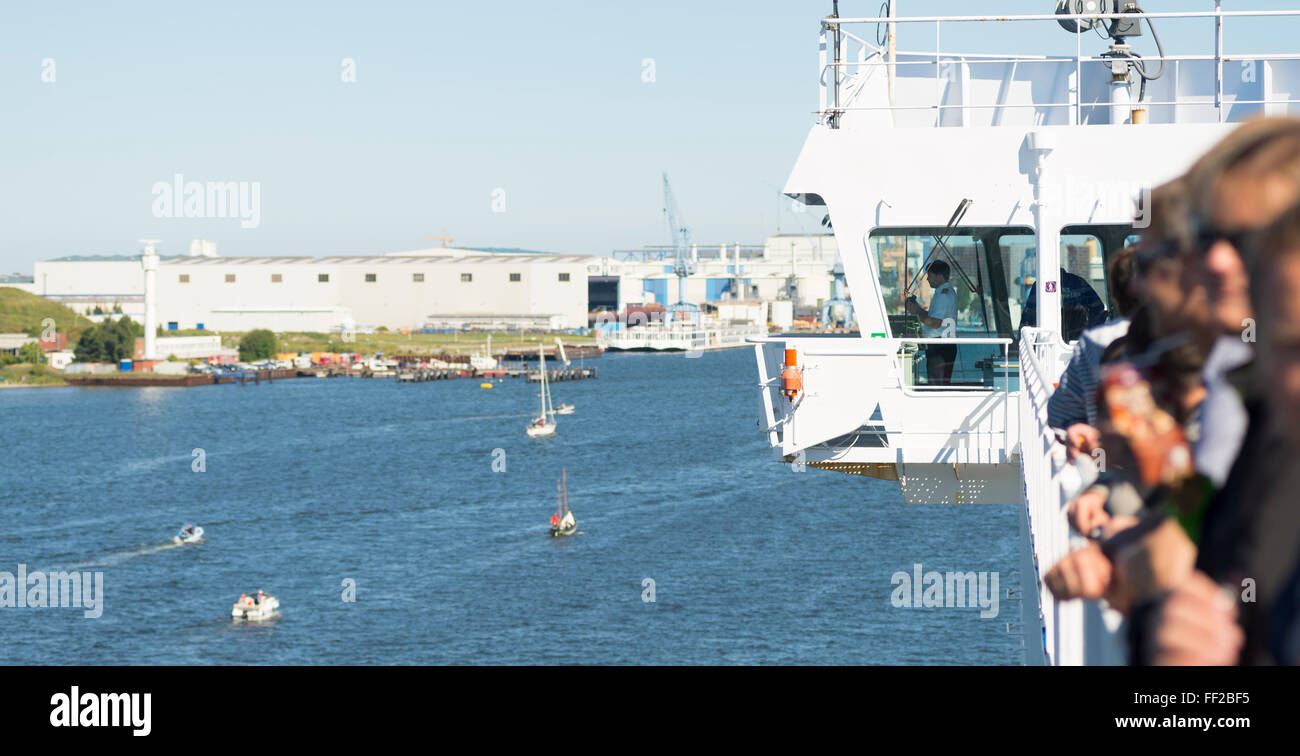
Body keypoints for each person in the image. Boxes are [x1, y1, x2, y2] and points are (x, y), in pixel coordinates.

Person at [904, 260, 958, 385]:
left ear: (939, 276)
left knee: (937, 385)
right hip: (941, 345)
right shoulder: (944, 292)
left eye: (930, 276)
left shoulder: (943, 295)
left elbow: (935, 323)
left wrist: (916, 311)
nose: (927, 279)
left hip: (940, 347)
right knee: (938, 383)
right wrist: (917, 308)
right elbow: (933, 318)